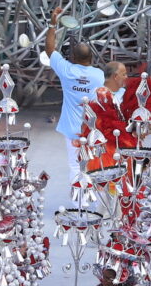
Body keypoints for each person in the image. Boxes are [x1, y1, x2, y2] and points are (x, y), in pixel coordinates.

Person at [42, 26, 106, 203]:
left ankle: (78, 202)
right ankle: (93, 201)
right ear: (92, 58)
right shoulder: (99, 75)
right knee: (93, 164)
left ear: (73, 58)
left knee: (75, 165)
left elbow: (49, 49)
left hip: (72, 130)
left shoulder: (66, 70)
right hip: (91, 130)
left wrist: (53, 24)